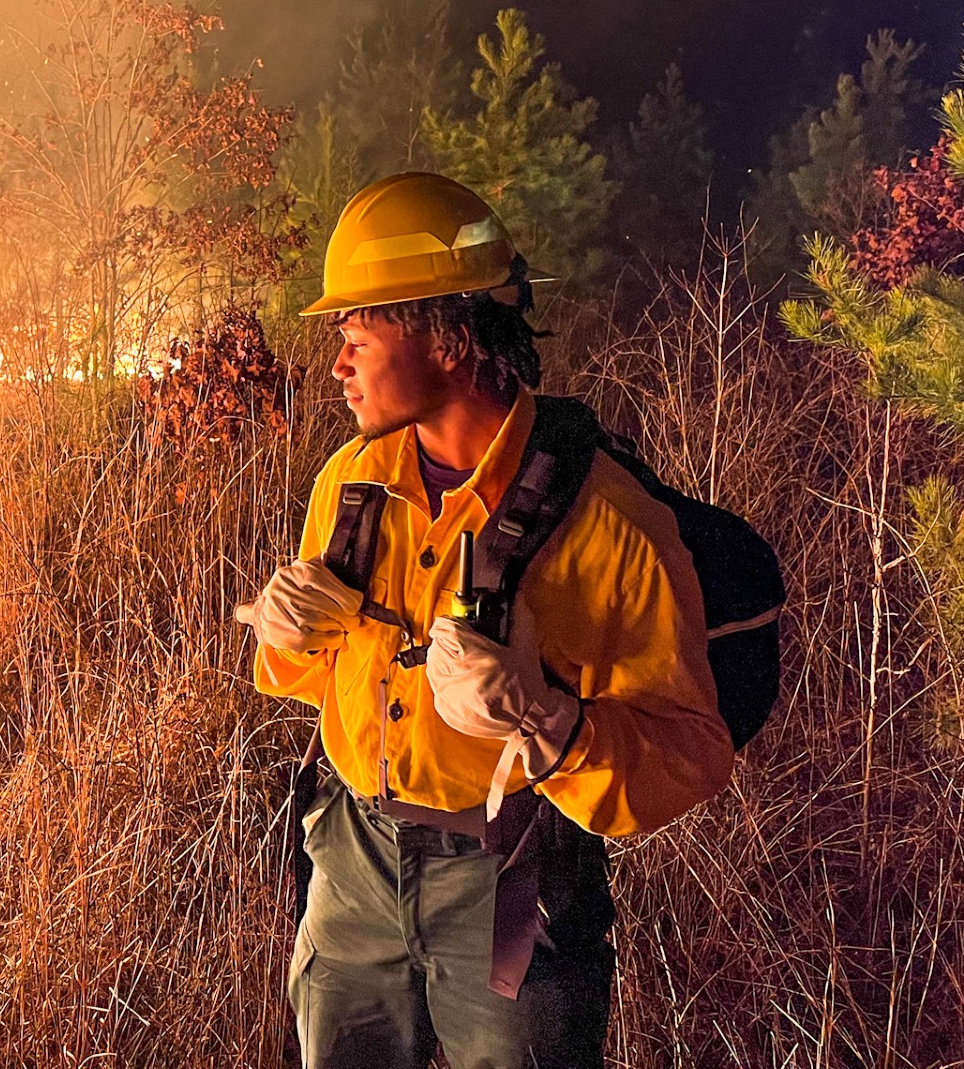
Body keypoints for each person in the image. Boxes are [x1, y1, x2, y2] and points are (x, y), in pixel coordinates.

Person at [235, 172, 735, 1069]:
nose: (338, 363)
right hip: (351, 859)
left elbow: (690, 752)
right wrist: (288, 637)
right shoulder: (348, 485)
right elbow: (316, 684)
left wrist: (549, 724)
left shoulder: (612, 528)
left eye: (358, 334)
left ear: (453, 341)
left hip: (509, 888)